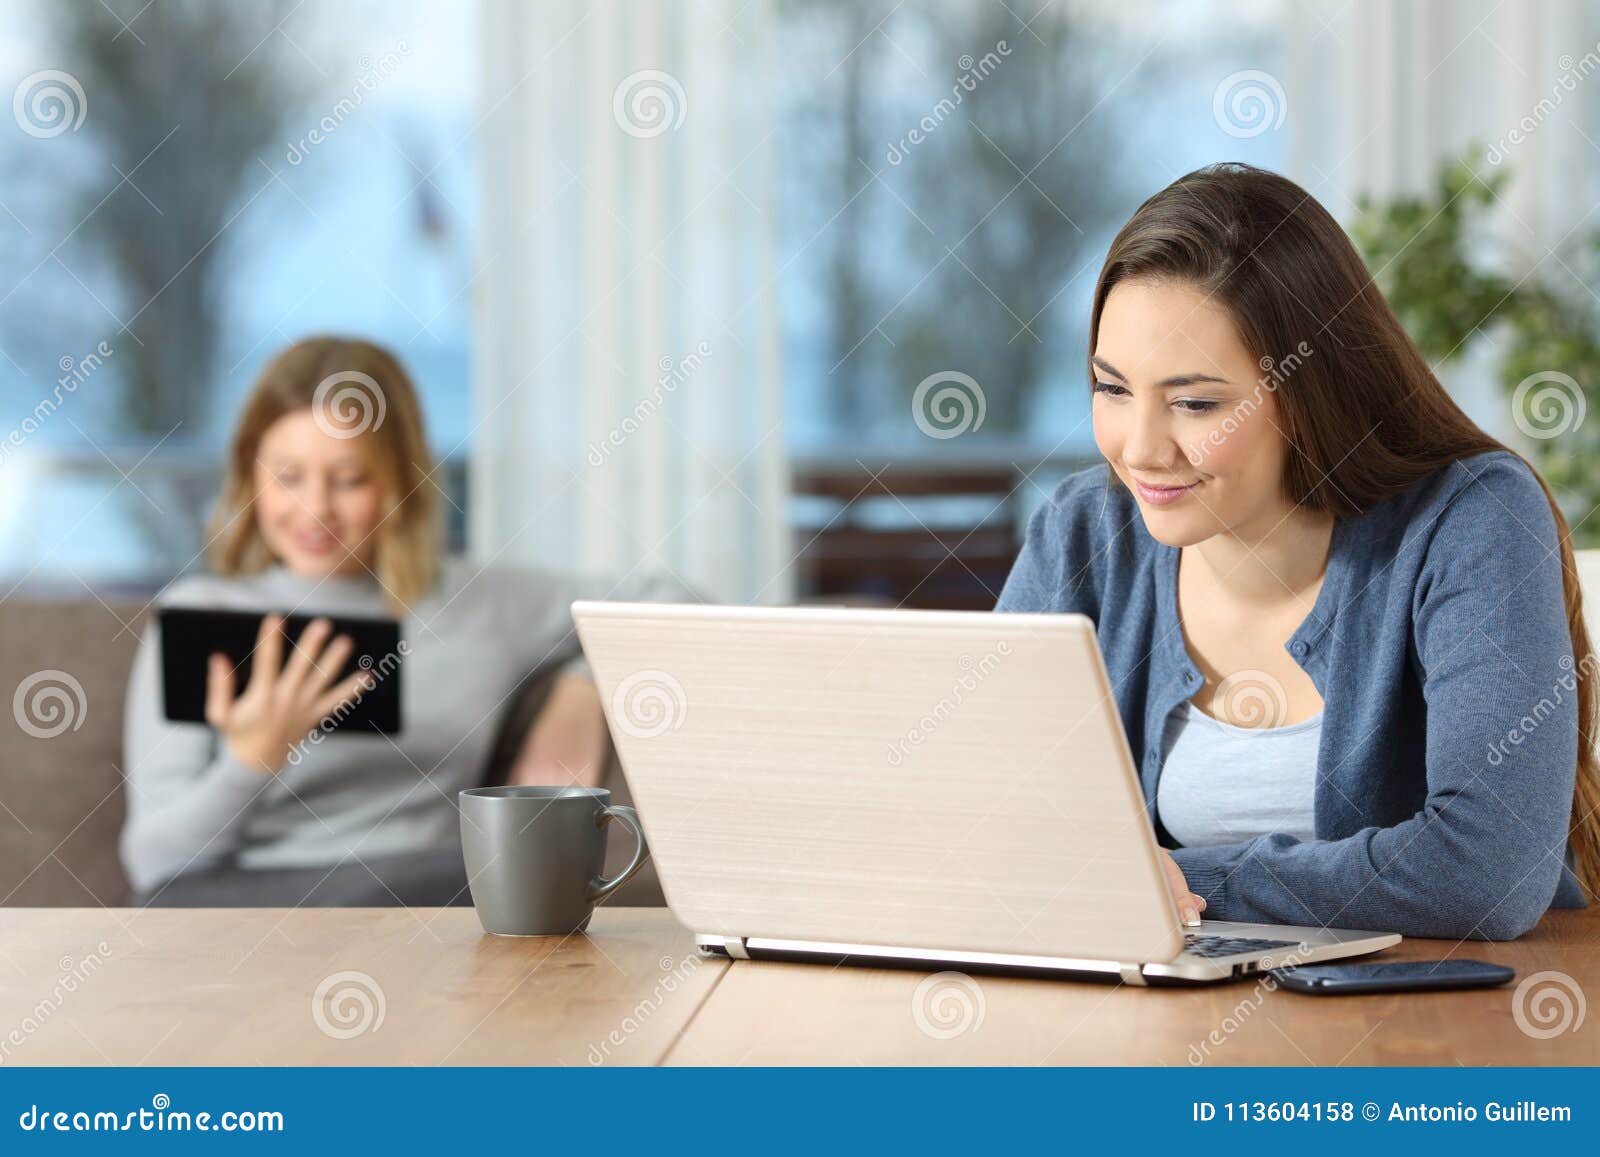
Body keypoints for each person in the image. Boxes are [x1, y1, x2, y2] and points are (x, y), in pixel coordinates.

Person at [996, 162, 1597, 940]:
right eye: (1111, 388)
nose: (1139, 448)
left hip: (1442, 1026)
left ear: (1309, 389)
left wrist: (1178, 881)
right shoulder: (1081, 531)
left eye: (1194, 402)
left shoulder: (1472, 518)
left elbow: (1487, 873)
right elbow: (982, 821)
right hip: (1171, 1021)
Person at [120, 336, 692, 906]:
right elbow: (156, 865)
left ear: (399, 481)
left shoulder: (480, 602)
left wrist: (583, 682)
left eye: (349, 480)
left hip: (420, 893)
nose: (315, 509)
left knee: (498, 889)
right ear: (251, 474)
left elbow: (674, 600)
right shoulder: (200, 617)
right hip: (242, 909)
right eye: (288, 477)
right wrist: (252, 761)